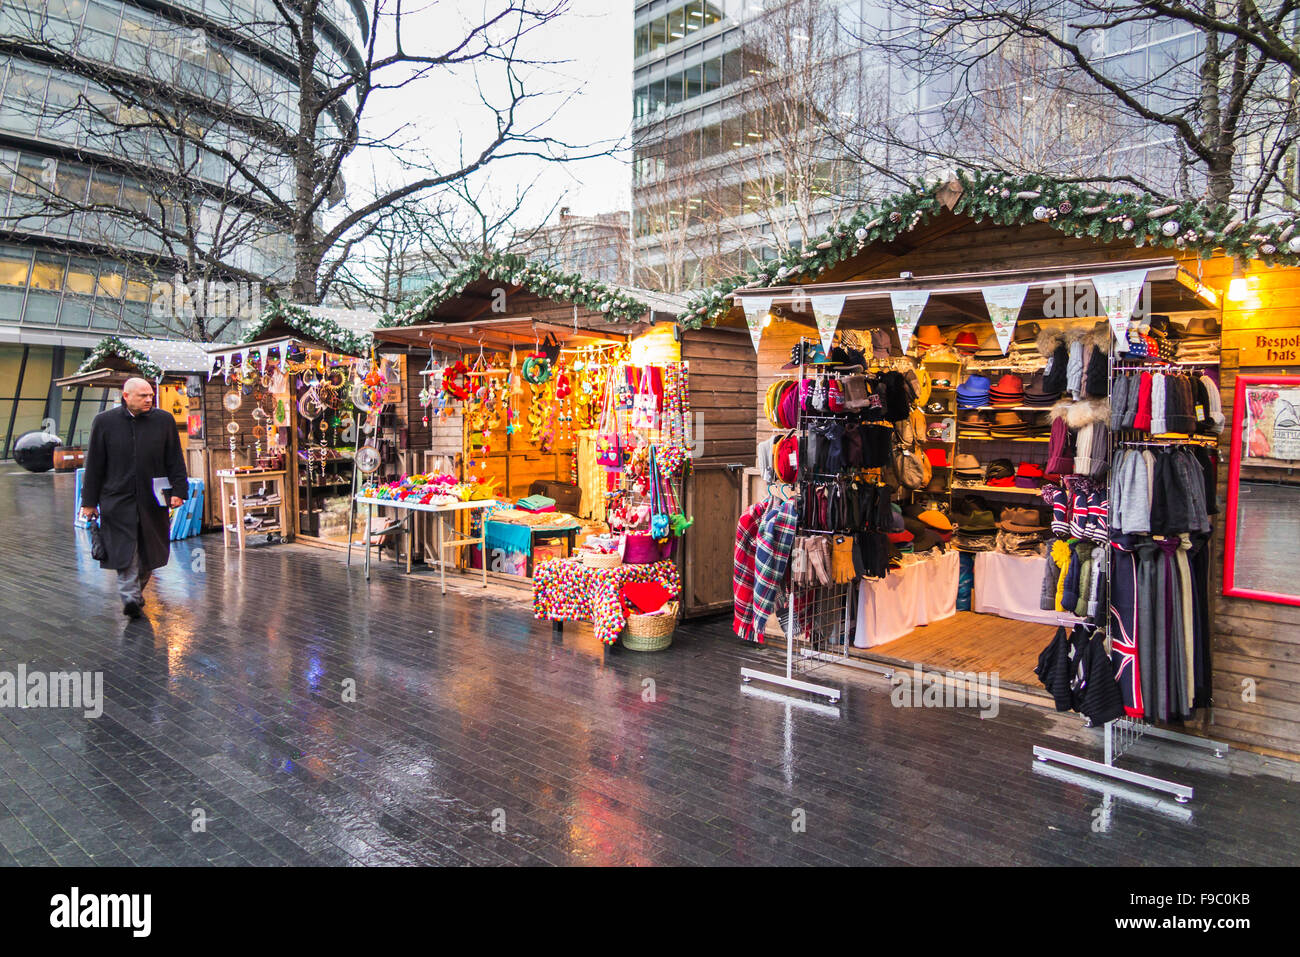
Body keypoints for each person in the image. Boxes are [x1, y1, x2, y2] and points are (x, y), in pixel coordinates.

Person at [80, 377, 189, 618]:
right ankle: (129, 595)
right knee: (126, 548)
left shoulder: (164, 421)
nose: (149, 399)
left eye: (151, 394)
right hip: (116, 499)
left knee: (149, 549)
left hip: (154, 498)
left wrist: (180, 491)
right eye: (143, 395)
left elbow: (175, 459)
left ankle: (135, 593)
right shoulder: (104, 422)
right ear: (126, 396)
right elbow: (95, 465)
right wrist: (88, 502)